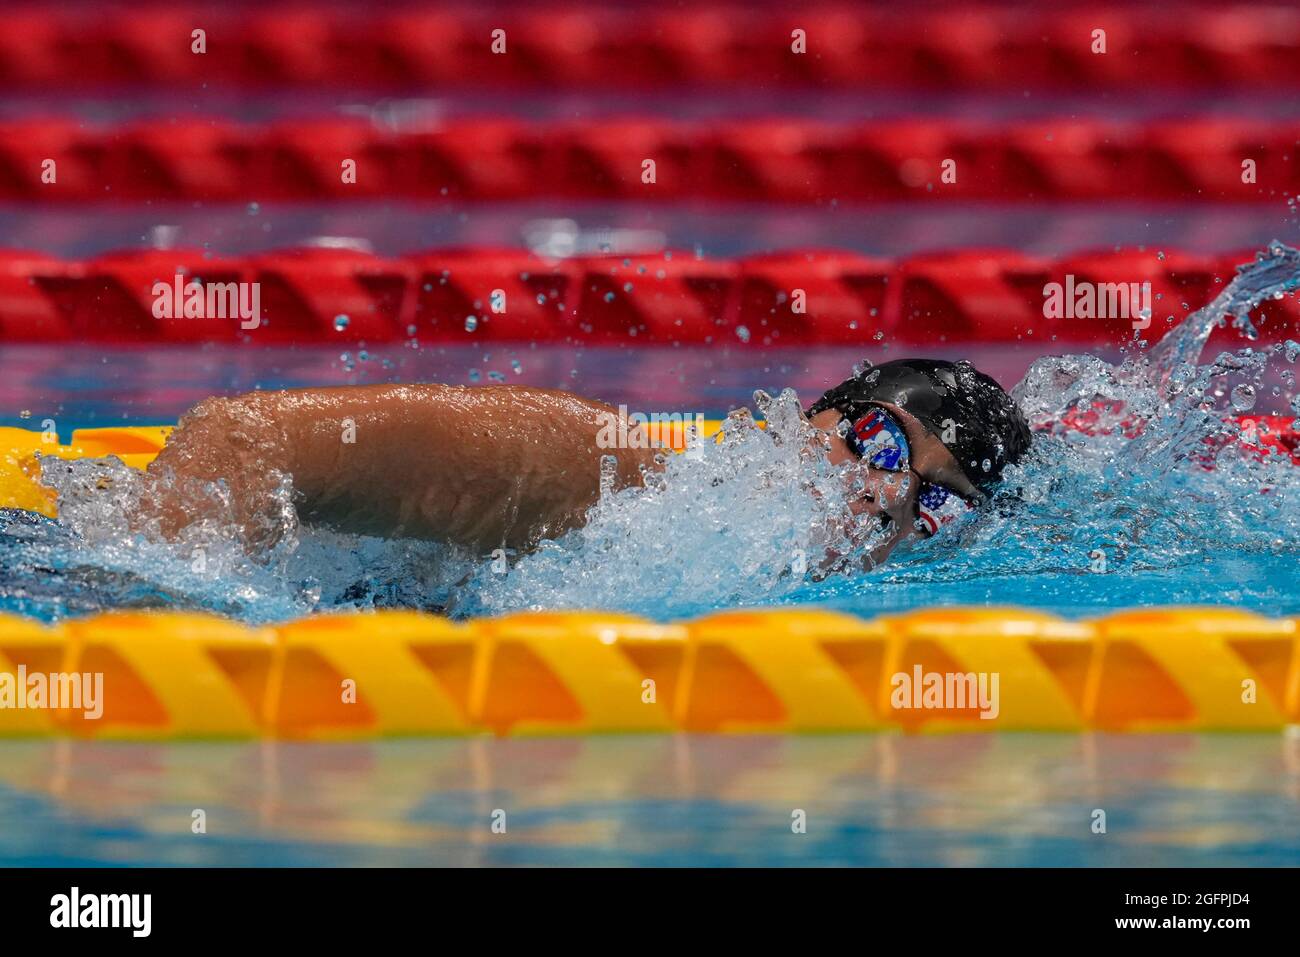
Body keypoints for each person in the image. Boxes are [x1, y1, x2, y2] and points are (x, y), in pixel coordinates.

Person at [137, 358, 1031, 566]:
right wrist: (154, 621)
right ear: (806, 420)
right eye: (877, 442)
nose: (883, 495)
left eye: (933, 505)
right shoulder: (609, 471)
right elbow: (236, 440)